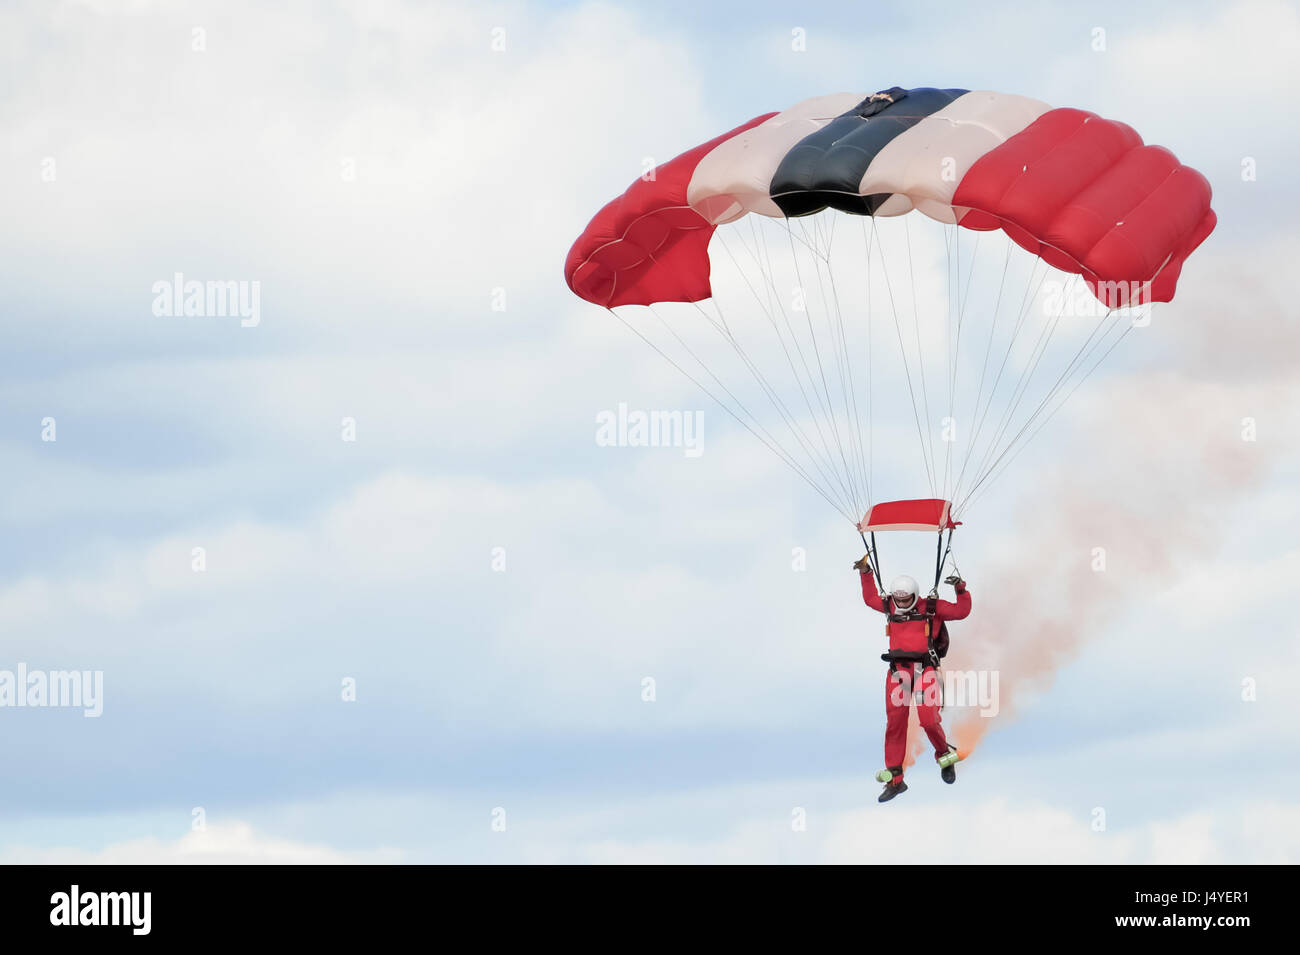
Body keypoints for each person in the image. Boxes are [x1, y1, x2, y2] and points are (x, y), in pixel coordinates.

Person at [852, 555, 971, 802]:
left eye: (906, 599)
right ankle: (896, 779)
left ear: (915, 595)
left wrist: (960, 587)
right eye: (898, 599)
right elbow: (870, 598)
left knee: (928, 719)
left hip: (924, 669)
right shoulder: (889, 606)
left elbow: (962, 611)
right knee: (895, 722)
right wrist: (865, 572)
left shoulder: (931, 607)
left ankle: (944, 755)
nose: (902, 603)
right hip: (898, 672)